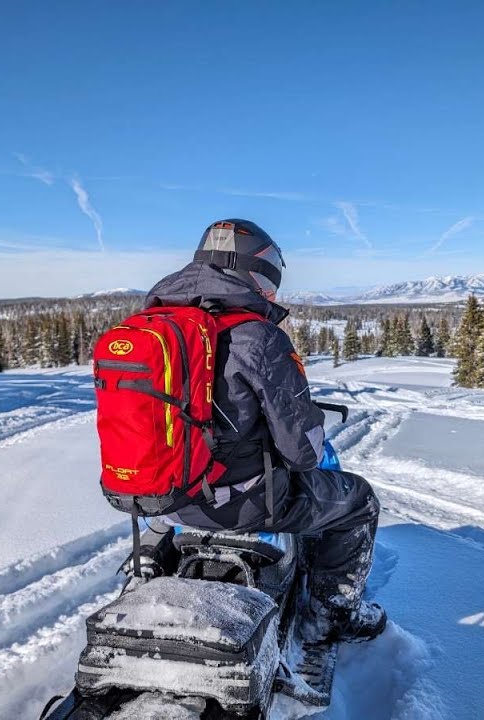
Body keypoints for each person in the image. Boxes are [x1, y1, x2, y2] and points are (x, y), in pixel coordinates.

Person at [145, 218, 386, 643]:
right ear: (253, 273)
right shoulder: (258, 337)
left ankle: (152, 565)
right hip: (244, 505)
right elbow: (301, 452)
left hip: (166, 500)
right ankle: (333, 616)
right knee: (359, 500)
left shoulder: (157, 328)